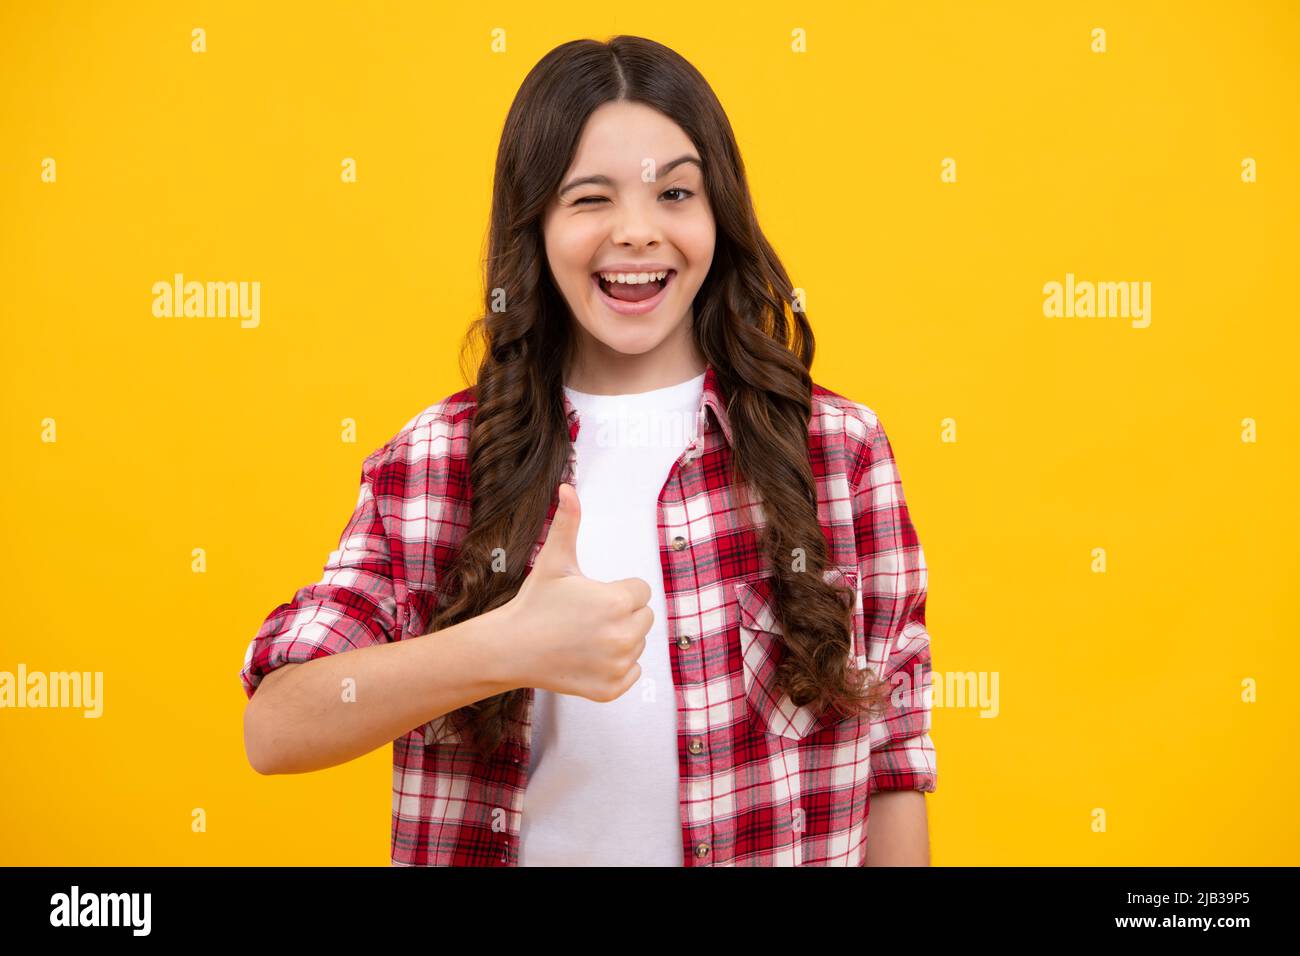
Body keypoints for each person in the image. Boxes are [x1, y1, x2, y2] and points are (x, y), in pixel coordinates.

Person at [240, 35, 935, 866]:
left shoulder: (837, 452)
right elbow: (275, 725)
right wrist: (503, 648)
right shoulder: (438, 461)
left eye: (675, 192)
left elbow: (892, 755)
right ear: (533, 223)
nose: (638, 232)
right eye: (590, 198)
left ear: (720, 215)